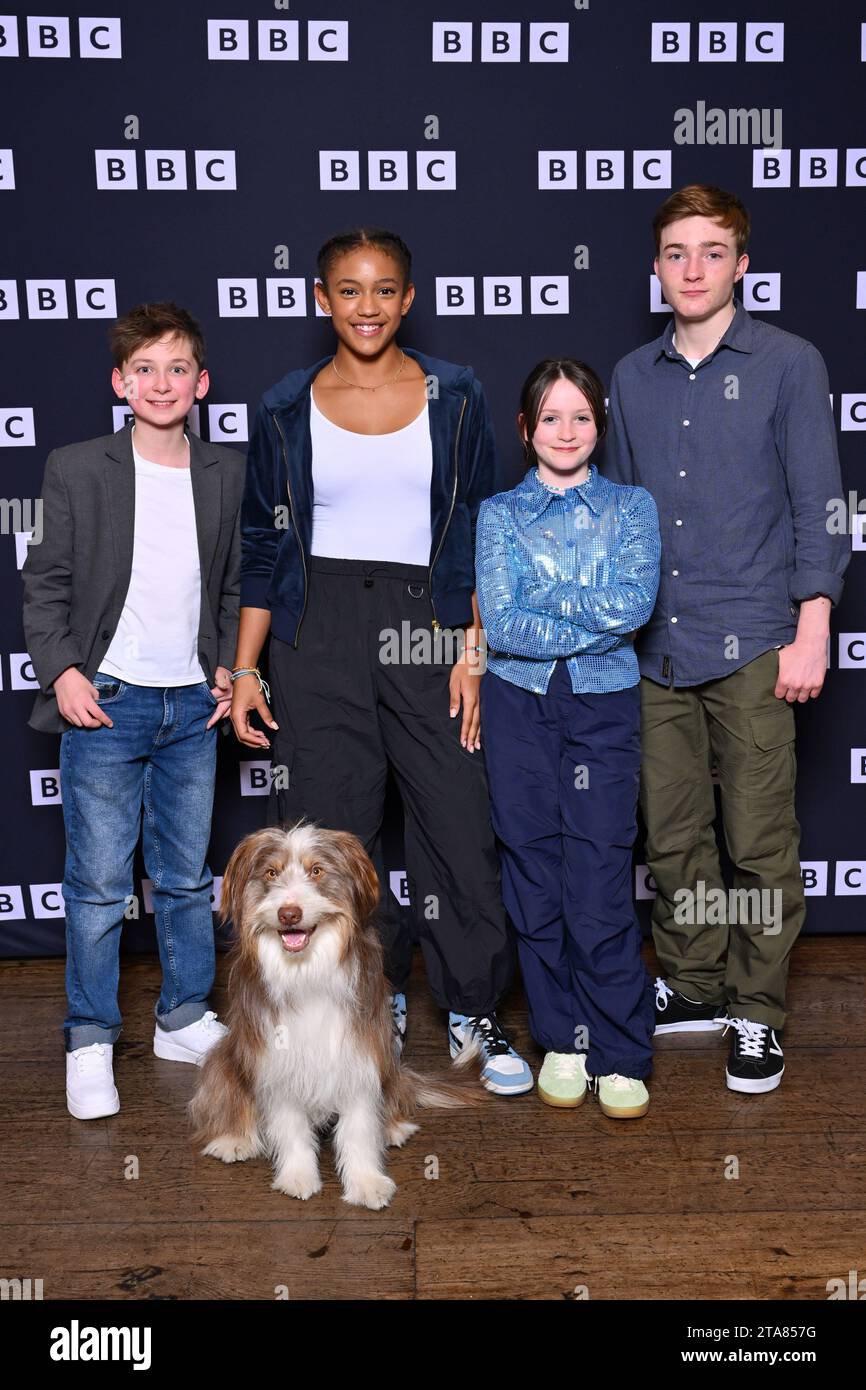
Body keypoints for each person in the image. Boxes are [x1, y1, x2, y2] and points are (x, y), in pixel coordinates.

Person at [231, 227, 531, 1095]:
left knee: (459, 823)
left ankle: (473, 1007)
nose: (368, 306)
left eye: (385, 289)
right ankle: (366, 1005)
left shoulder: (458, 395)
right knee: (327, 836)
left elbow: (474, 534)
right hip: (314, 629)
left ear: (408, 298)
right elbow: (262, 548)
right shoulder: (287, 406)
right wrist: (248, 669)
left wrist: (472, 649)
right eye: (350, 290)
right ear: (321, 299)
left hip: (425, 619)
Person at [603, 184, 850, 1093]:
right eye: (677, 253)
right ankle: (696, 981)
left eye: (712, 251)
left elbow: (820, 505)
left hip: (754, 638)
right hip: (654, 647)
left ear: (742, 263)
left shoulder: (790, 363)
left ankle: (757, 1010)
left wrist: (813, 621)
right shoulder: (630, 377)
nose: (694, 268)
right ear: (657, 269)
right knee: (671, 838)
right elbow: (622, 516)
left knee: (758, 840)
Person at [22, 302, 245, 1120]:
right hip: (104, 704)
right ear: (120, 383)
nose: (161, 383)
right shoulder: (78, 468)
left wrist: (226, 666)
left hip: (192, 703)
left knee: (186, 879)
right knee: (98, 884)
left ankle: (183, 1017)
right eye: (144, 369)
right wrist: (64, 673)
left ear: (202, 383)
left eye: (177, 368)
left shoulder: (226, 471)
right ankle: (89, 1037)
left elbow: (228, 586)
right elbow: (44, 583)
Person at [476, 358, 661, 1118]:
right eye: (550, 417)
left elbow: (635, 604)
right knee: (534, 872)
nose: (565, 431)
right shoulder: (498, 514)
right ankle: (562, 1038)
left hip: (603, 707)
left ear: (600, 427)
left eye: (580, 417)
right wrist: (585, 605)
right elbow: (505, 622)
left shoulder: (634, 507)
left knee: (599, 876)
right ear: (526, 430)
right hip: (519, 706)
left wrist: (547, 596)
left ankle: (619, 1048)